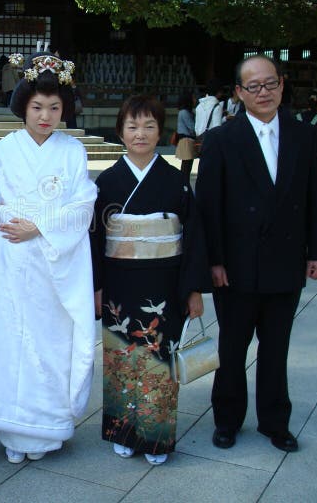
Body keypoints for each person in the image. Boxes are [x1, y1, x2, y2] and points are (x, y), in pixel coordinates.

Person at [0, 51, 96, 464]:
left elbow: (83, 204)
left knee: (50, 343)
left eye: (54, 108)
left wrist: (38, 227)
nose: (45, 116)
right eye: (37, 107)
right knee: (10, 342)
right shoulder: (2, 151)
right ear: (23, 106)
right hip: (11, 260)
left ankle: (47, 429)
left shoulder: (72, 151)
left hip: (54, 264)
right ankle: (10, 430)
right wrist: (2, 213)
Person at [195, 55, 317, 454]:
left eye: (270, 83)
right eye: (253, 86)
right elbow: (208, 208)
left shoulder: (304, 135)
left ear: (282, 84)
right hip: (235, 265)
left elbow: (316, 197)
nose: (263, 92)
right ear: (239, 92)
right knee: (232, 347)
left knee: (276, 347)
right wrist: (214, 261)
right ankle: (227, 419)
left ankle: (275, 421)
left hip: (286, 259)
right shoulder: (222, 139)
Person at [91, 95, 209, 466]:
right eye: (132, 126)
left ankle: (156, 438)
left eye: (149, 126)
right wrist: (96, 287)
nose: (140, 134)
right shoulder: (106, 182)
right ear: (120, 132)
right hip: (119, 282)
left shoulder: (176, 182)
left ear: (161, 132)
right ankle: (124, 432)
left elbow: (193, 240)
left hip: (165, 283)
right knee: (122, 356)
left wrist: (193, 290)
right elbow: (94, 239)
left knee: (160, 357)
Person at [175, 90, 198, 179]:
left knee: (187, 166)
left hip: (187, 140)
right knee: (186, 166)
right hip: (186, 140)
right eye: (193, 98)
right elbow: (192, 127)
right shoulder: (184, 112)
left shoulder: (186, 112)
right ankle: (184, 184)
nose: (195, 100)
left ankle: (184, 183)